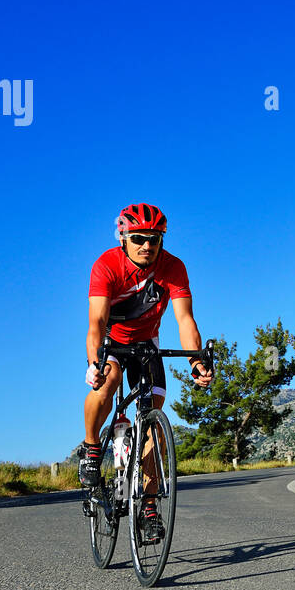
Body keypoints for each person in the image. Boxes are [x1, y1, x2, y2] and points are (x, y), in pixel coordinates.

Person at [81, 202, 212, 542]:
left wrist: (196, 362)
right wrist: (94, 363)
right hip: (112, 341)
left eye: (154, 239)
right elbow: (96, 321)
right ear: (123, 238)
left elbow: (185, 319)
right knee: (107, 384)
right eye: (138, 238)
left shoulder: (173, 268)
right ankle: (92, 449)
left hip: (147, 343)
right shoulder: (107, 265)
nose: (146, 246)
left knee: (153, 417)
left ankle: (149, 508)